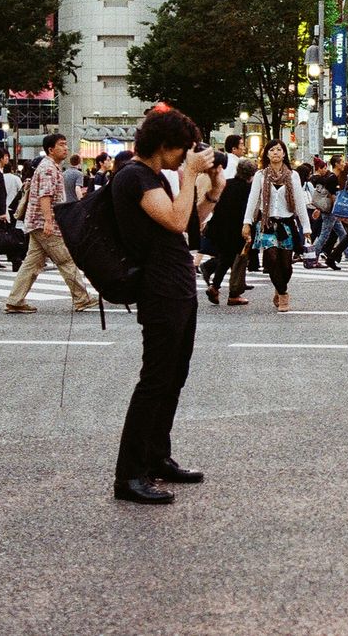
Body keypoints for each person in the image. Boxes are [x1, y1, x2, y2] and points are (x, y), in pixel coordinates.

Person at [110, 108, 215, 505]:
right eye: (182, 149)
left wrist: (213, 190)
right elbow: (174, 221)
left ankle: (156, 457)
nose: (185, 156)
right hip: (159, 289)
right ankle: (129, 475)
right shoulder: (133, 176)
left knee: (174, 377)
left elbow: (187, 221)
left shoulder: (154, 178)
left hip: (177, 286)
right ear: (163, 145)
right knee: (155, 380)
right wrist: (189, 175)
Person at [4, 134, 97, 315]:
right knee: (65, 260)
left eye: (66, 144)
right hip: (45, 223)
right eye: (61, 145)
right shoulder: (48, 168)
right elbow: (45, 196)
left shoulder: (50, 167)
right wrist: (48, 220)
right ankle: (82, 298)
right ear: (50, 149)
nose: (65, 148)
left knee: (32, 263)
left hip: (38, 222)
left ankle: (15, 300)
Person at [241, 142, 311, 313]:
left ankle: (278, 288)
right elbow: (252, 200)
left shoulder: (293, 175)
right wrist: (247, 222)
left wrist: (306, 227)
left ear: (284, 154)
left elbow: (300, 203)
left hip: (287, 224)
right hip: (267, 224)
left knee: (286, 265)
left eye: (279, 149)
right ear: (267, 154)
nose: (275, 153)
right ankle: (283, 294)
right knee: (271, 259)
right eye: (271, 150)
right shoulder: (260, 175)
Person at [204, 159, 255, 306]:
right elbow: (249, 210)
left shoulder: (226, 183)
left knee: (226, 257)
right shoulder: (248, 189)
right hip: (238, 229)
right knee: (238, 260)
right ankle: (233, 294)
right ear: (251, 174)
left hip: (220, 226)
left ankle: (215, 286)